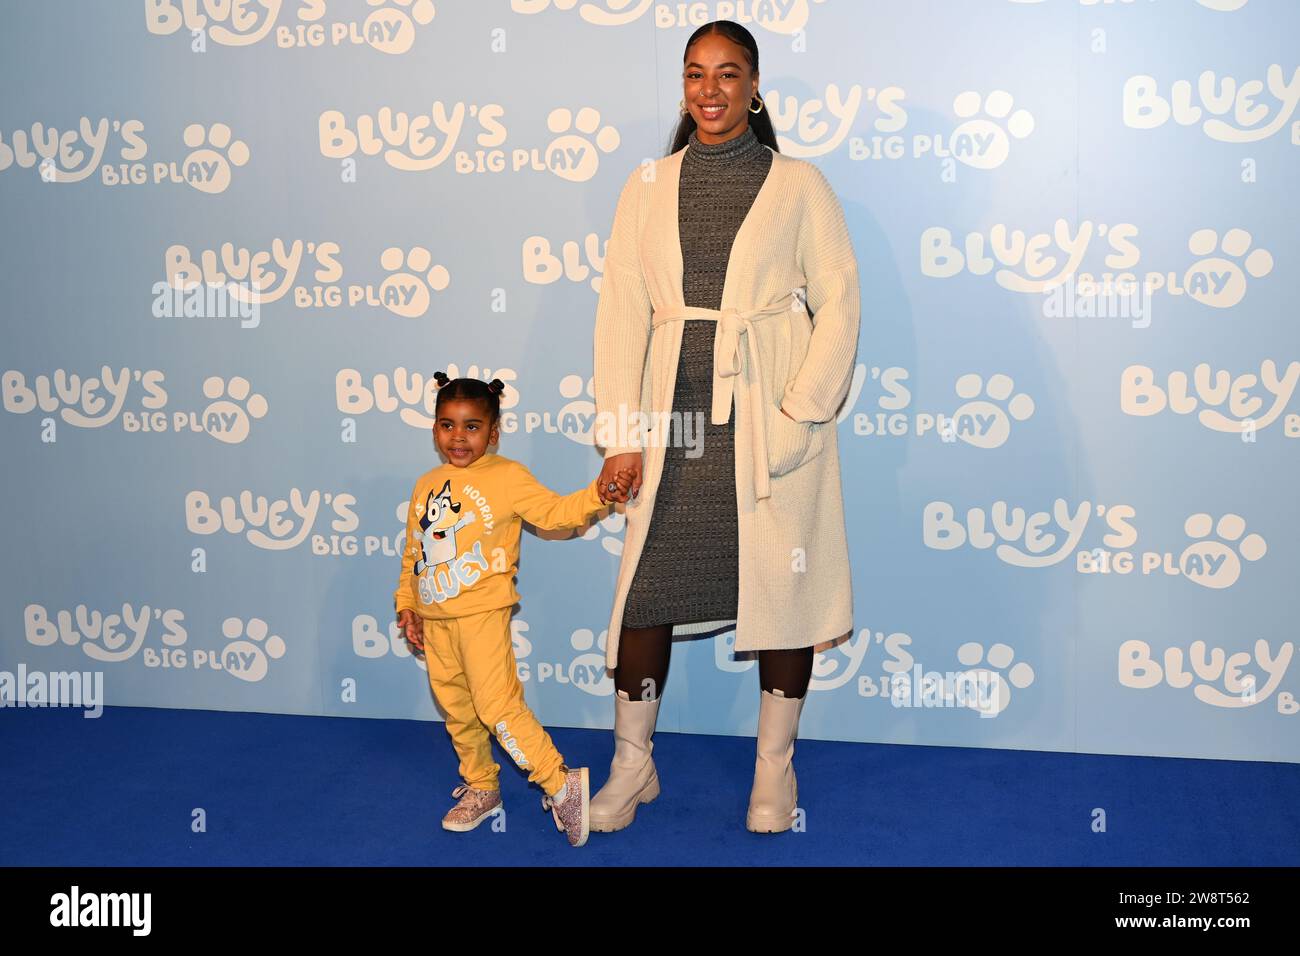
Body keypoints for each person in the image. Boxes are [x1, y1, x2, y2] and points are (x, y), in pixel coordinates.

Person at [590, 20, 861, 833]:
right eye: (696, 73)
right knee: (648, 592)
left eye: (729, 73)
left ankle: (773, 774)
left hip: (769, 411)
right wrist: (622, 435)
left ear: (754, 87)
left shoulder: (799, 184)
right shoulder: (645, 184)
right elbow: (620, 311)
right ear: (683, 85)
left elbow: (839, 298)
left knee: (784, 592)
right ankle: (632, 768)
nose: (711, 89)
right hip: (676, 414)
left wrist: (798, 411)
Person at [394, 372, 633, 847]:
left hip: (482, 617)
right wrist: (408, 604)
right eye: (447, 425)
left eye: (472, 426)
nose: (457, 437)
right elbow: (414, 553)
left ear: (494, 432)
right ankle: (482, 787)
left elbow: (554, 513)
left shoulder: (506, 477)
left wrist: (597, 495)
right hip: (436, 622)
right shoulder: (427, 484)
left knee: (497, 706)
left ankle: (559, 783)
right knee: (458, 711)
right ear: (435, 429)